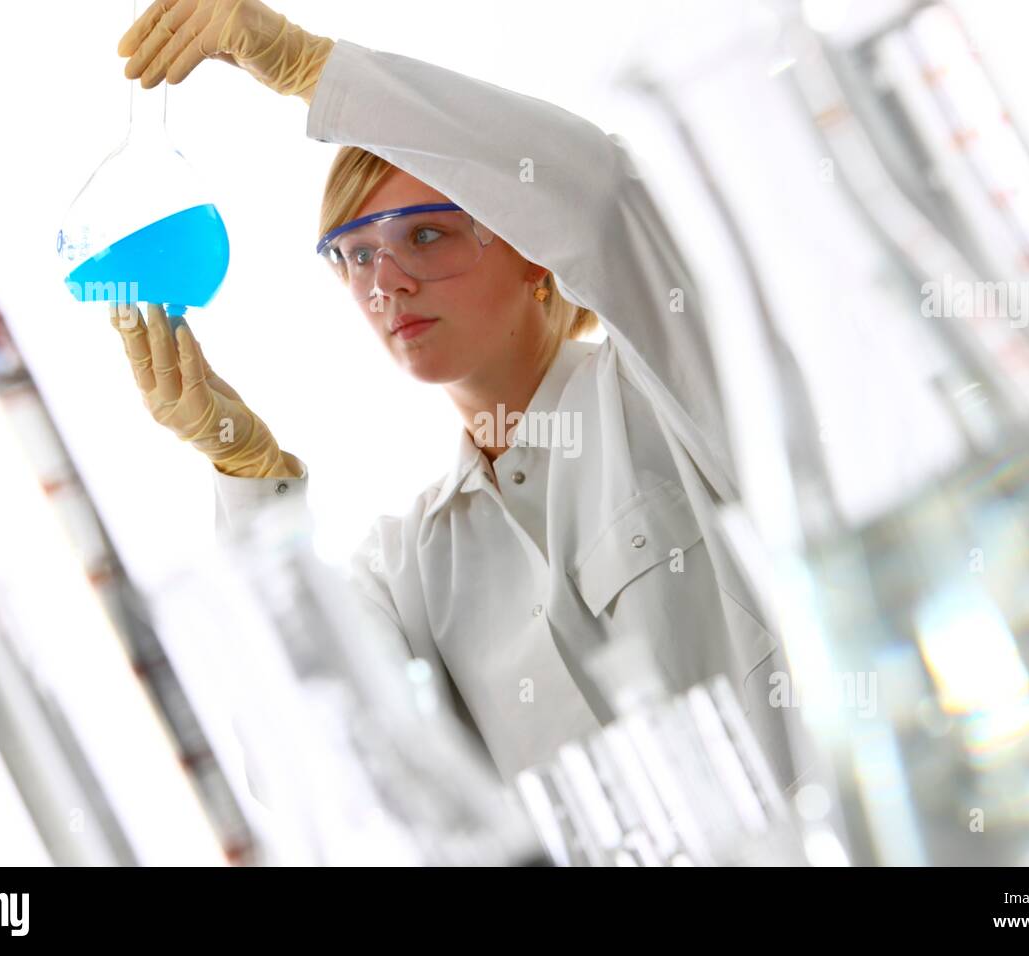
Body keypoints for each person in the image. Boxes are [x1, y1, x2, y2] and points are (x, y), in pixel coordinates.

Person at [111, 0, 808, 790]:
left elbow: (602, 197)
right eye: (355, 255)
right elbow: (325, 757)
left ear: (532, 251)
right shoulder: (405, 568)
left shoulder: (666, 389)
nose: (386, 282)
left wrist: (317, 70)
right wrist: (248, 474)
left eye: (426, 234)